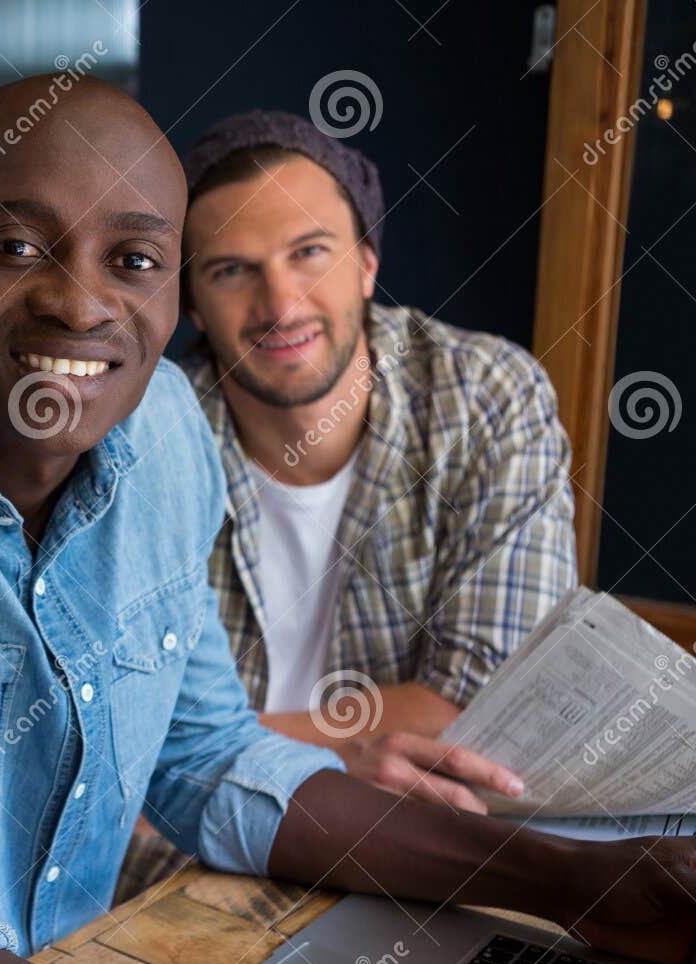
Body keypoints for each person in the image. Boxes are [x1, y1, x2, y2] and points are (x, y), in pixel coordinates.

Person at [0, 74, 696, 964]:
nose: (80, 300)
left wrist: (577, 882)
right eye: (14, 247)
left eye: (132, 259)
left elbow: (211, 758)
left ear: (169, 294)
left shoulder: (164, 429)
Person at [179, 110, 577, 812]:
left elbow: (490, 711)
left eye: (309, 252)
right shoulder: (152, 433)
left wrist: (214, 756)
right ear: (196, 308)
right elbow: (116, 727)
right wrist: (316, 756)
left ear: (366, 264)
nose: (280, 304)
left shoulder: (485, 398)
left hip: (413, 835)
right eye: (233, 269)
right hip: (202, 843)